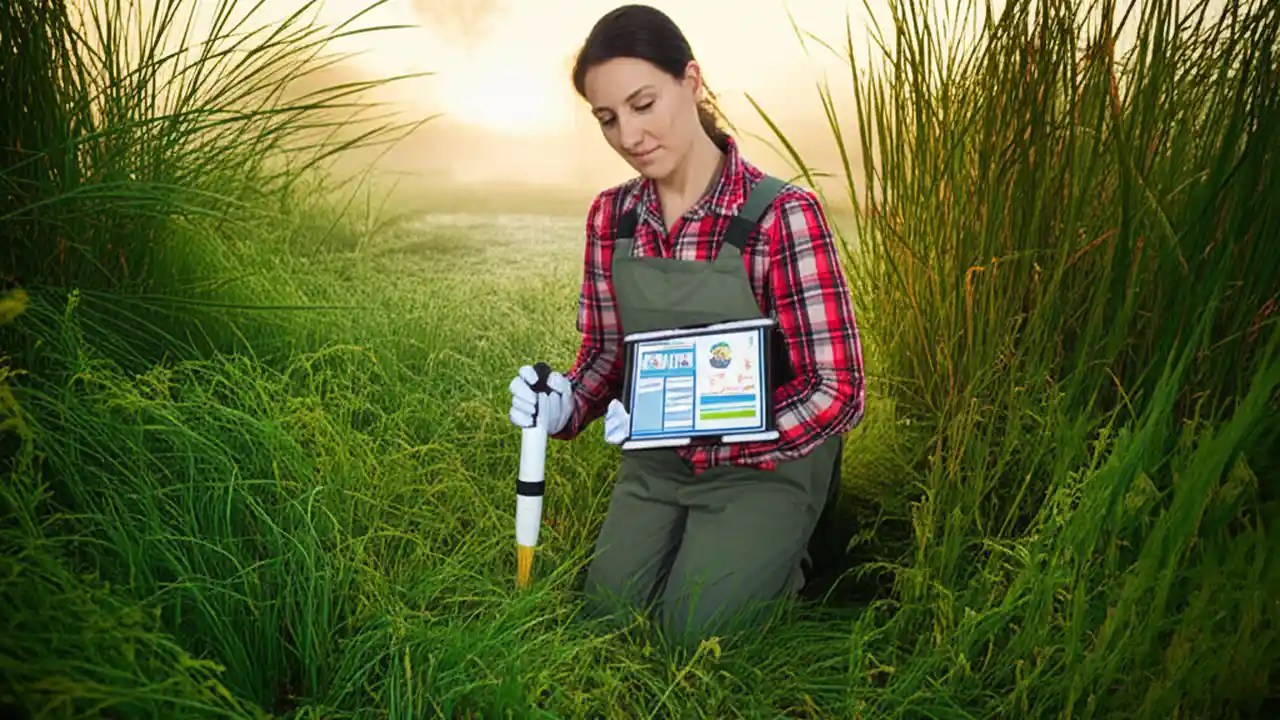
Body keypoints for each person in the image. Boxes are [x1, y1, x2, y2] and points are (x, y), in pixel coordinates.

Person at [507, 3, 865, 645]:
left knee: (692, 635)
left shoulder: (782, 215)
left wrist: (718, 441)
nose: (629, 135)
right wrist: (563, 402)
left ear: (691, 82)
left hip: (764, 465)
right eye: (608, 118)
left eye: (644, 104)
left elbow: (837, 389)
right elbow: (606, 356)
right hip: (657, 461)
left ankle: (801, 552)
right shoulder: (611, 218)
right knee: (606, 622)